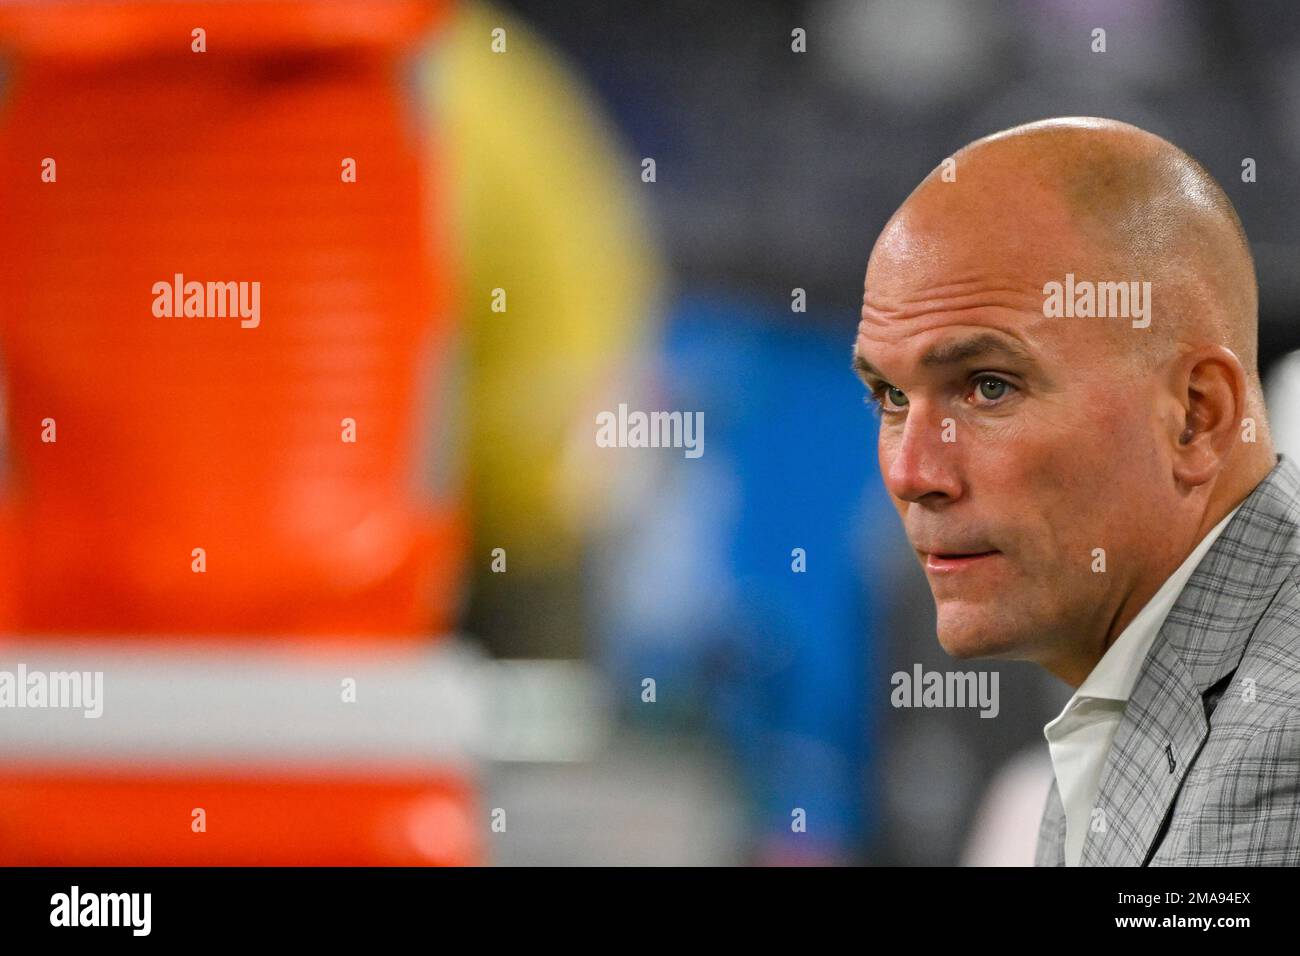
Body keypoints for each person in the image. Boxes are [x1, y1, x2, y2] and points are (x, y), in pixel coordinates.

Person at [852, 116, 1300, 865]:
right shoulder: (1130, 700)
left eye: (988, 388)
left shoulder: (1274, 746)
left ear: (1196, 417)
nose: (911, 474)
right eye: (891, 398)